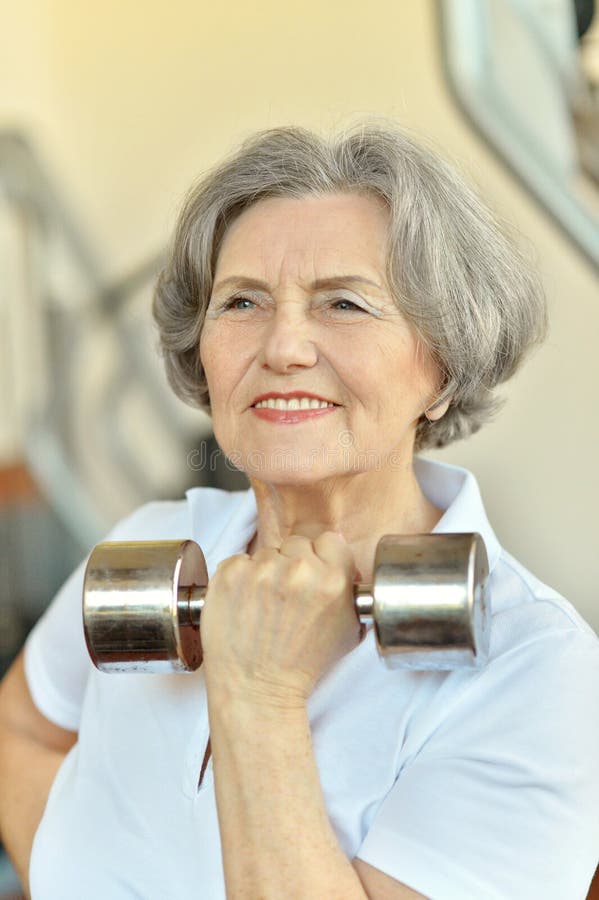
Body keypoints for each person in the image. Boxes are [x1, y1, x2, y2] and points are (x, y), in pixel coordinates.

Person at [0, 121, 598, 900]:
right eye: (240, 302)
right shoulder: (148, 542)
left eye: (343, 304)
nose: (282, 346)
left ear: (443, 368)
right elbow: (19, 731)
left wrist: (259, 693)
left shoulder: (538, 671)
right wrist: (73, 867)